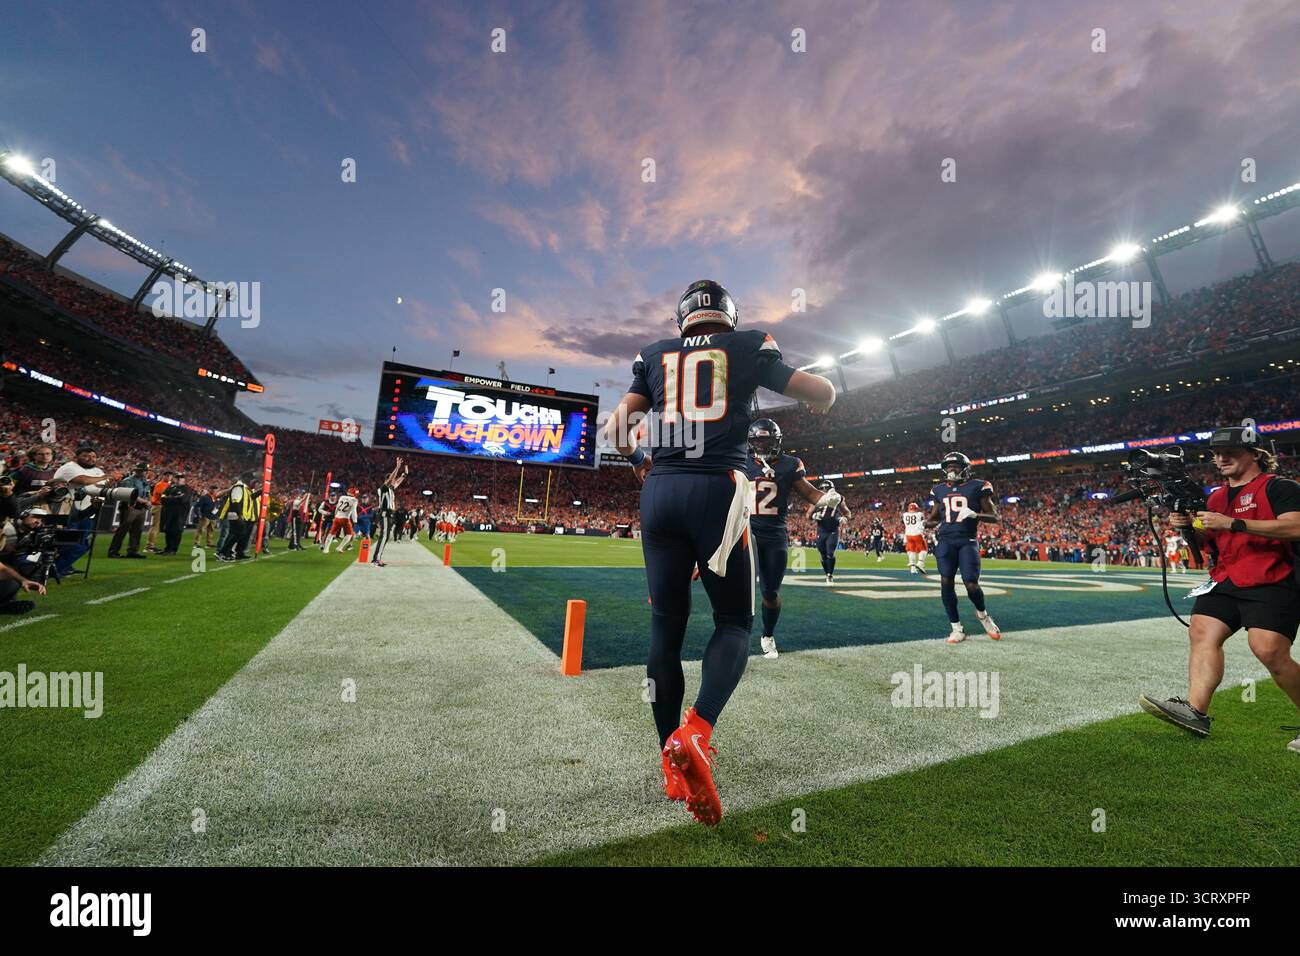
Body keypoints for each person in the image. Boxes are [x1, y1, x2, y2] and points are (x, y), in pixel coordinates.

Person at [603, 278, 836, 826]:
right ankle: (697, 732)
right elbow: (819, 391)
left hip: (661, 493)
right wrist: (825, 396)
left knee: (666, 627)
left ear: (681, 316)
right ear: (727, 315)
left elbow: (617, 429)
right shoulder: (748, 343)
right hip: (722, 490)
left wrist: (643, 463)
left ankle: (669, 759)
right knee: (733, 621)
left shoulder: (654, 355)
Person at [1141, 426, 1300, 753]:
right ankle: (1196, 711)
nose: (1220, 458)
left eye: (1230, 451)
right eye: (1216, 453)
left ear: (1255, 454)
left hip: (1273, 578)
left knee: (1268, 650)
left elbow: (1296, 526)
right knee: (1201, 631)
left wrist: (1233, 523)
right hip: (1225, 580)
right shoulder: (1215, 497)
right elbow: (1208, 541)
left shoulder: (1280, 487)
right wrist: (1189, 529)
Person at [745, 418, 841, 660]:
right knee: (740, 590)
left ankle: (767, 635)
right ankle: (734, 635)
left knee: (770, 592)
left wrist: (827, 499)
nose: (762, 446)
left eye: (766, 441)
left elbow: (809, 492)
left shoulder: (789, 465)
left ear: (776, 441)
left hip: (774, 535)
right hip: (746, 533)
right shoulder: (742, 463)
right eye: (757, 441)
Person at [927, 451, 1002, 644]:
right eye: (948, 467)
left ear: (965, 469)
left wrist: (975, 514)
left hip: (967, 540)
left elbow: (995, 518)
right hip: (945, 541)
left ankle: (983, 615)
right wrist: (920, 523)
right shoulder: (938, 490)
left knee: (971, 582)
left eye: (956, 467)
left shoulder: (978, 486)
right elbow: (934, 519)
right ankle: (956, 628)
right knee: (946, 581)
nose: (952, 470)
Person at [51, 440, 113, 578]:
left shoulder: (98, 470)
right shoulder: (69, 467)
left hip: (87, 512)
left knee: (80, 543)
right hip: (66, 512)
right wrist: (104, 477)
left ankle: (65, 567)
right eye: (86, 456)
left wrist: (98, 502)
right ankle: (55, 569)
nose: (91, 459)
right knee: (72, 545)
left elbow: (102, 488)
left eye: (94, 457)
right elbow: (83, 481)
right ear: (76, 457)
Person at [810, 479, 851, 583]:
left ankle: (830, 575)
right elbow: (808, 514)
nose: (824, 491)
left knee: (830, 553)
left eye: (825, 489)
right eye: (823, 489)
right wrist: (813, 516)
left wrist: (845, 518)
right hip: (821, 530)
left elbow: (847, 512)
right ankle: (827, 573)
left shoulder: (838, 498)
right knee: (823, 554)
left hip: (833, 529)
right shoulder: (816, 498)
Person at [107, 461, 151, 559]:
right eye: (144, 471)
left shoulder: (145, 481)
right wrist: (145, 502)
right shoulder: (128, 480)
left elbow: (147, 493)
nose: (145, 473)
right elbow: (131, 495)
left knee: (137, 530)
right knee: (122, 529)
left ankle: (133, 551)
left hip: (141, 508)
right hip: (130, 507)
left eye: (145, 471)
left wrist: (148, 501)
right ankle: (113, 551)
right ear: (138, 471)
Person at [370, 458, 408, 567]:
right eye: (392, 479)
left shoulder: (390, 489)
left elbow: (399, 481)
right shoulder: (383, 488)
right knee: (384, 536)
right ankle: (376, 560)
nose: (394, 481)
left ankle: (377, 558)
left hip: (389, 514)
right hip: (385, 513)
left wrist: (404, 474)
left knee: (385, 537)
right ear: (388, 480)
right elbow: (392, 479)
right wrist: (397, 467)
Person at [216, 472, 257, 562]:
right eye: (252, 480)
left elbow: (250, 498)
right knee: (236, 534)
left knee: (237, 534)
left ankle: (230, 553)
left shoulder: (244, 488)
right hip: (235, 515)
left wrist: (261, 492)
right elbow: (235, 502)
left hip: (238, 515)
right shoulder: (238, 487)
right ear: (246, 479)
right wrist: (240, 515)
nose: (253, 483)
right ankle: (223, 553)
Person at [159, 473, 194, 554]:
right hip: (168, 512)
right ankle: (167, 548)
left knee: (176, 530)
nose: (178, 480)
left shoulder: (187, 489)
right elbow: (162, 498)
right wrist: (175, 498)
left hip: (179, 513)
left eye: (180, 478)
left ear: (184, 480)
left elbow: (182, 500)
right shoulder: (170, 487)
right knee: (168, 530)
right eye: (177, 478)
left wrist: (170, 498)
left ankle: (173, 549)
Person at [145, 471, 172, 553]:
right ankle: (149, 546)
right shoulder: (160, 484)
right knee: (155, 526)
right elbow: (164, 495)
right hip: (158, 506)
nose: (169, 478)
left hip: (162, 506)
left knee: (157, 527)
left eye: (170, 476)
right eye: (168, 476)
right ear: (164, 476)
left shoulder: (167, 484)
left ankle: (151, 545)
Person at [902, 501, 929, 575]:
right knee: (923, 549)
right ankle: (920, 562)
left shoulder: (905, 515)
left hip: (908, 535)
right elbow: (923, 523)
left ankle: (912, 568)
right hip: (917, 534)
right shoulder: (920, 514)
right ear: (916, 508)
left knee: (912, 550)